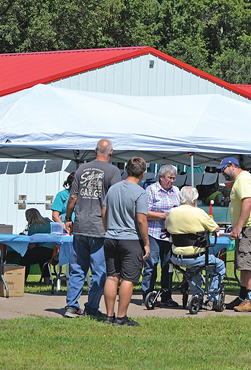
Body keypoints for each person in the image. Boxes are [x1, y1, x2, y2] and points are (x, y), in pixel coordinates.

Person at [63, 138, 121, 319]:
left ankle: (72, 306)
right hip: (100, 227)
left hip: (80, 224)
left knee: (77, 269)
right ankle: (92, 307)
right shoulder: (113, 171)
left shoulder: (81, 169)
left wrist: (68, 218)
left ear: (95, 150)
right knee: (99, 271)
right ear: (111, 153)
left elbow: (72, 197)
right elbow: (116, 200)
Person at [101, 157, 150, 326]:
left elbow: (104, 213)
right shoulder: (140, 192)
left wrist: (107, 229)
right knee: (128, 278)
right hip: (130, 239)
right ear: (143, 174)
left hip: (111, 237)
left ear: (126, 170)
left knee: (112, 277)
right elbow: (142, 220)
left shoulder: (113, 189)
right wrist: (147, 243)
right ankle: (121, 317)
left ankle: (109, 315)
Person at [216, 156, 251, 312]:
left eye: (223, 170)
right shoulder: (240, 180)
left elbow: (248, 202)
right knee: (244, 264)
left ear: (232, 166)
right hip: (247, 227)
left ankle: (250, 301)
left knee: (249, 264)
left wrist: (238, 226)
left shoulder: (243, 179)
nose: (222, 174)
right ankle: (242, 297)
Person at [165, 186, 226, 308]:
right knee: (219, 265)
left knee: (192, 269)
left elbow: (167, 228)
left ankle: (197, 295)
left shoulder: (171, 212)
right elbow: (216, 228)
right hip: (196, 256)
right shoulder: (199, 213)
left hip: (176, 256)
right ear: (195, 200)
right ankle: (212, 297)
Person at [141, 164, 180, 307]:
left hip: (170, 235)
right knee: (151, 265)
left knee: (168, 266)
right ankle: (148, 296)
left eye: (174, 178)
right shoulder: (151, 190)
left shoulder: (176, 191)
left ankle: (166, 296)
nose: (172, 181)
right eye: (170, 178)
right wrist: (162, 215)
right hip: (153, 233)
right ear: (161, 177)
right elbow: (143, 212)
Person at [9, 208, 54, 281]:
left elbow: (31, 246)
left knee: (25, 258)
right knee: (43, 260)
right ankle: (47, 280)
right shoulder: (49, 222)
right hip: (52, 250)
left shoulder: (34, 226)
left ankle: (22, 279)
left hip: (43, 250)